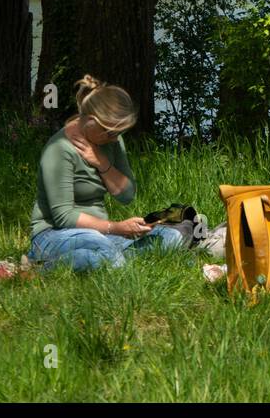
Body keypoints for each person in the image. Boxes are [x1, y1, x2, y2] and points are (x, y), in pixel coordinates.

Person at [22, 75, 185, 272]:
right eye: (110, 133)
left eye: (118, 133)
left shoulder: (112, 141)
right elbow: (63, 216)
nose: (115, 138)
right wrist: (117, 228)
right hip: (53, 234)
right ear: (91, 121)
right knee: (104, 249)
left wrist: (101, 162)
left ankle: (107, 260)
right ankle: (35, 269)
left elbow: (127, 195)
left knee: (171, 238)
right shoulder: (59, 149)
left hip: (100, 234)